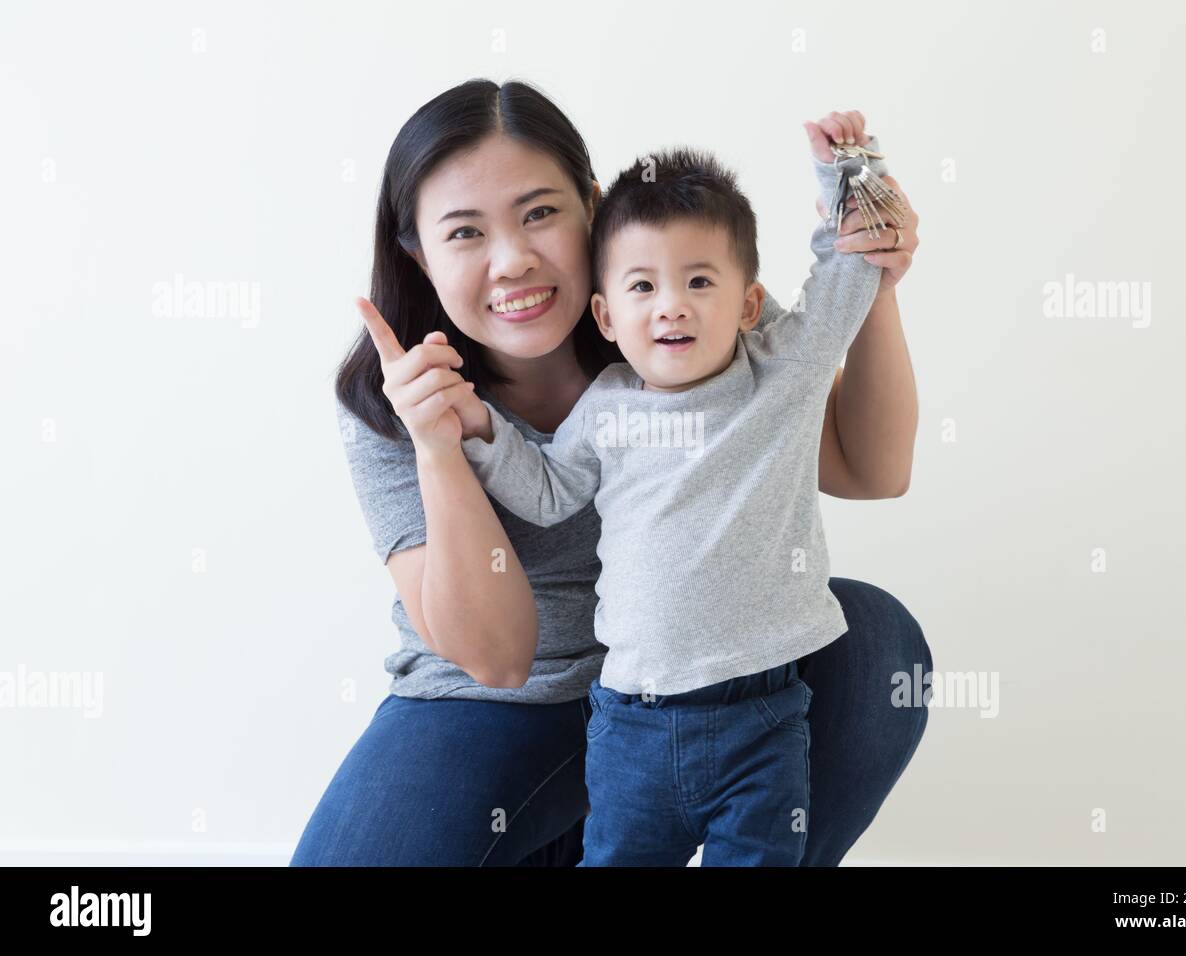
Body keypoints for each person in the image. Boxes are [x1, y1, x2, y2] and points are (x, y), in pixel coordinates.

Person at [290, 78, 930, 867]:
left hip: (710, 682)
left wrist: (875, 281)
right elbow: (499, 657)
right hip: (499, 710)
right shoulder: (385, 403)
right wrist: (439, 445)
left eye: (539, 214)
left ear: (592, 208)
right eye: (463, 233)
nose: (513, 260)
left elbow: (873, 471)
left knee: (874, 643)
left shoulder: (681, 330)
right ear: (416, 254)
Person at [445, 137, 889, 864]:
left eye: (700, 282)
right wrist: (481, 431)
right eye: (643, 287)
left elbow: (847, 274)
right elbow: (551, 492)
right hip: (632, 727)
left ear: (749, 304)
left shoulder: (781, 372)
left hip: (764, 720)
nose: (671, 307)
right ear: (606, 316)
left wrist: (850, 166)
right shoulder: (607, 406)